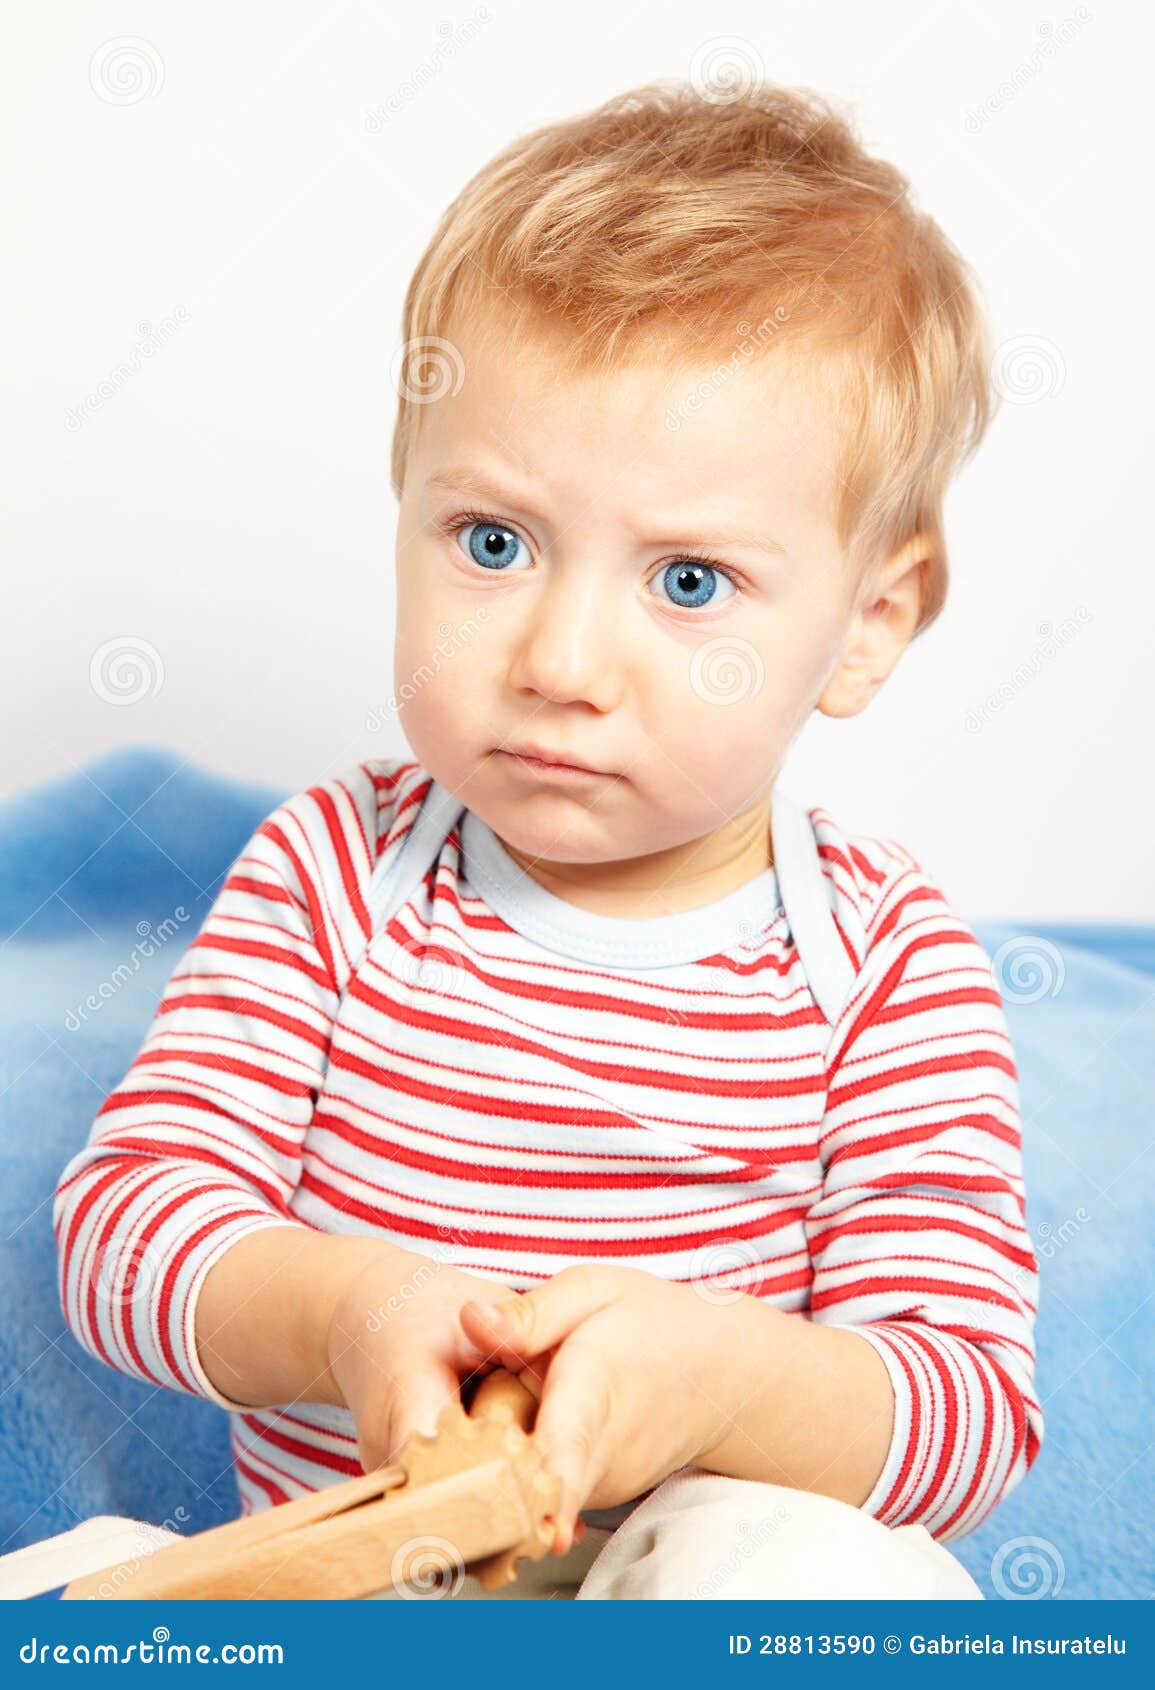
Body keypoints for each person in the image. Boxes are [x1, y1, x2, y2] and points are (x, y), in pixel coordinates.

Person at [54, 78, 1042, 1600]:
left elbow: (967, 1416)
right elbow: (123, 1229)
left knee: (844, 1584)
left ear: (869, 624)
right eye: (495, 543)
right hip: (354, 1591)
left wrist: (722, 1383)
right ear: (406, 509)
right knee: (90, 1586)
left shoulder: (887, 965)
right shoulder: (334, 869)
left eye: (691, 582)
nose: (562, 659)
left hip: (684, 1602)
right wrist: (343, 1311)